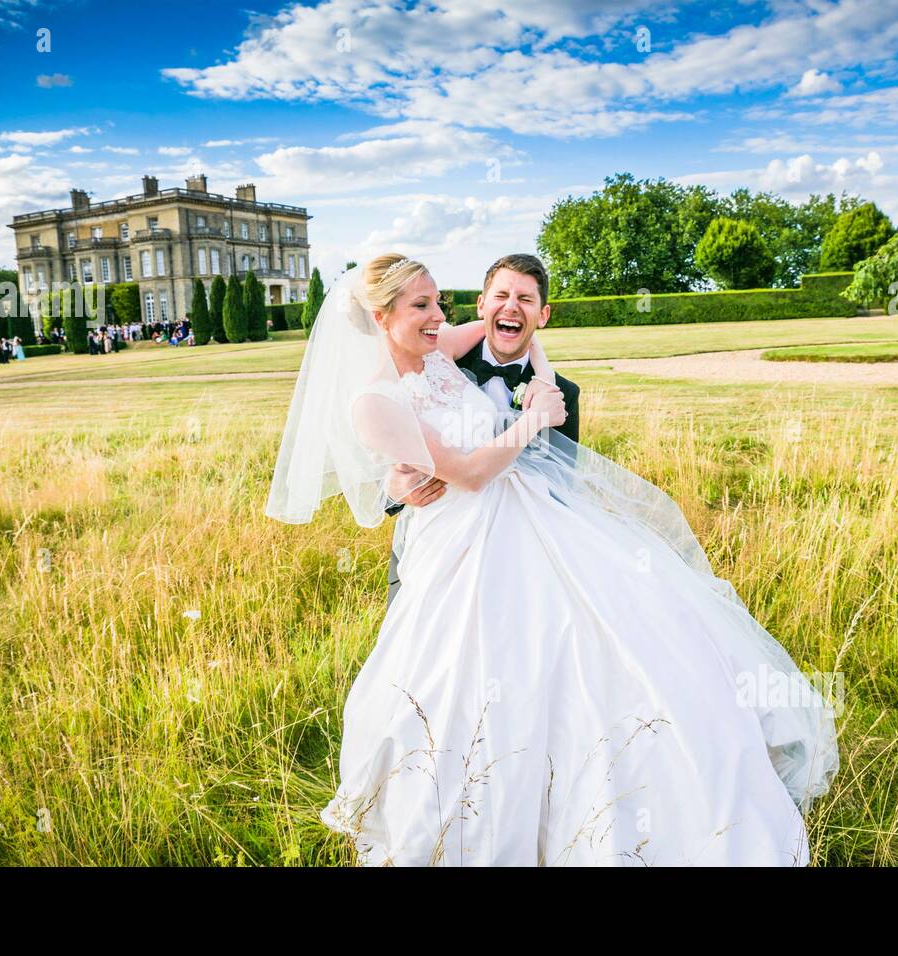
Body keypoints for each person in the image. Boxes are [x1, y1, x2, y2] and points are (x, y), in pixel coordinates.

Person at [265, 253, 839, 866]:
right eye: (422, 306)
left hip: (534, 518)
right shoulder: (373, 403)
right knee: (458, 677)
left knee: (599, 641)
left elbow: (510, 346)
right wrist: (517, 428)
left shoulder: (439, 348)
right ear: (381, 317)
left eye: (439, 303)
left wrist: (540, 380)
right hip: (459, 545)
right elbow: (466, 473)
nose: (440, 317)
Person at [383, 255, 579, 609]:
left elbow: (561, 487)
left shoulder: (562, 394)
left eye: (525, 299)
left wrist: (544, 377)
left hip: (521, 557)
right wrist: (394, 490)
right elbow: (388, 445)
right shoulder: (435, 360)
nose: (512, 307)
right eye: (501, 296)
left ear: (543, 315)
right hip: (434, 547)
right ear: (481, 305)